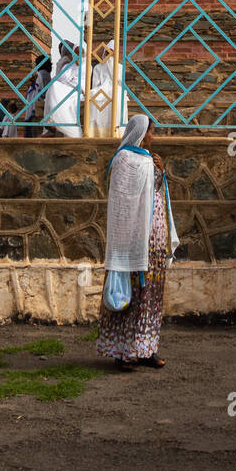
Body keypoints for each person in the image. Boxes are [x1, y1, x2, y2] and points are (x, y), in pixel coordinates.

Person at [96, 115, 178, 371]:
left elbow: (156, 193)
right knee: (130, 294)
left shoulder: (149, 160)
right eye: (152, 132)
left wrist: (161, 172)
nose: (153, 137)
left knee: (150, 294)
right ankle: (123, 351)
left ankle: (146, 347)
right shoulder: (123, 160)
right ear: (143, 133)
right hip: (130, 238)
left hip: (153, 237)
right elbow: (122, 200)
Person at [88, 40, 129, 137]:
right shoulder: (98, 67)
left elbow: (119, 82)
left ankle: (115, 130)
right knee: (93, 96)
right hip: (101, 89)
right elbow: (95, 84)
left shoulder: (120, 67)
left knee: (117, 97)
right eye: (107, 52)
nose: (109, 55)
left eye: (111, 52)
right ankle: (97, 131)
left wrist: (111, 66)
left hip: (115, 88)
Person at [44, 41, 85, 138]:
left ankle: (56, 123)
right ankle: (50, 124)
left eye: (80, 53)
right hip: (64, 89)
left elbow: (82, 85)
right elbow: (59, 79)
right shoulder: (68, 66)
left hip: (76, 92)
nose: (78, 56)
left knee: (55, 88)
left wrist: (69, 81)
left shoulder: (86, 66)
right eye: (76, 53)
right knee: (53, 87)